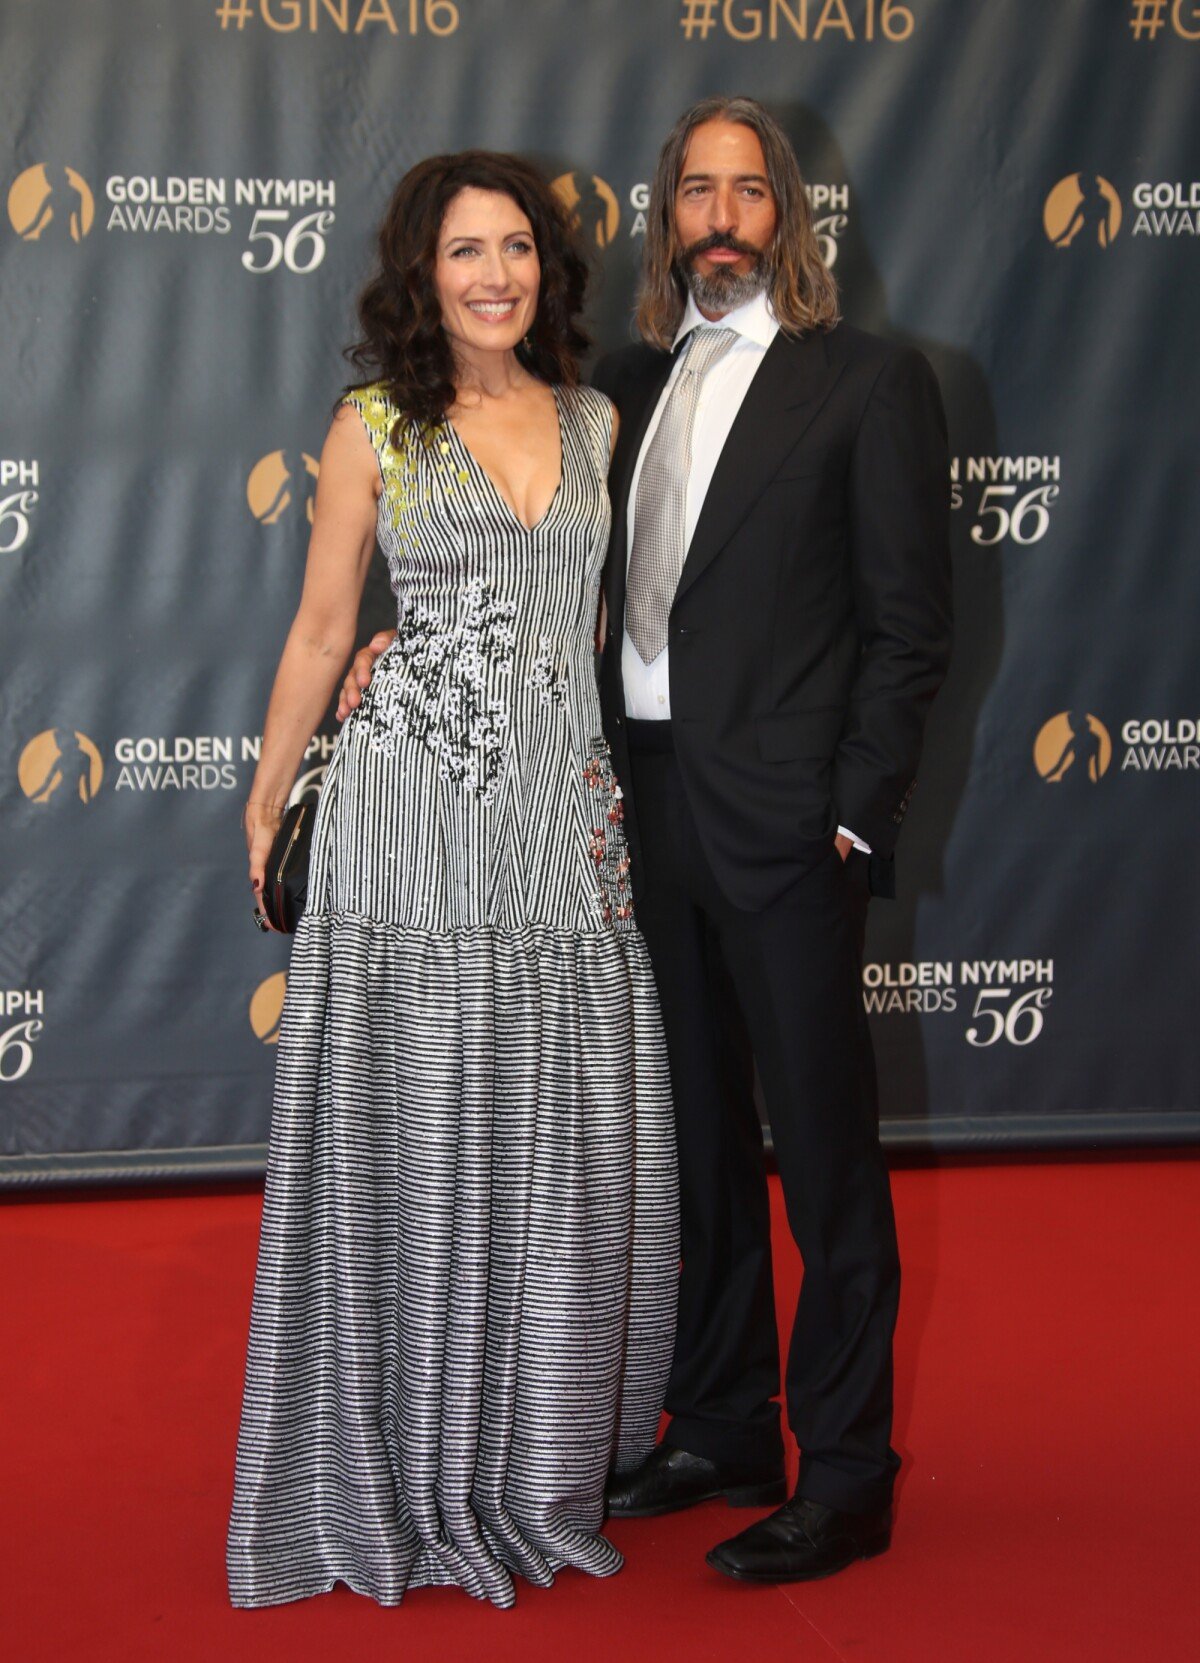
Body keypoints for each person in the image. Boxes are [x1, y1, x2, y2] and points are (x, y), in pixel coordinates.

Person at [342, 97, 952, 1585]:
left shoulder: (870, 384)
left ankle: (849, 1471)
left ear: (790, 216)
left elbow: (910, 634)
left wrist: (856, 819)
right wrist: (385, 651)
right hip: (630, 811)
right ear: (665, 217)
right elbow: (506, 548)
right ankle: (728, 1420)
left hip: (794, 829)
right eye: (698, 191)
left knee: (821, 1157)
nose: (724, 215)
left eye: (751, 191)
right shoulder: (614, 383)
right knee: (691, 1150)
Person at [228, 150, 678, 1612]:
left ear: (549, 270)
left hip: (561, 822)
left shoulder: (602, 419)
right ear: (422, 273)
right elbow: (319, 629)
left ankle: (530, 1456)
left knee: (559, 1146)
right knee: (422, 1131)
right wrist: (264, 798)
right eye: (466, 252)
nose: (496, 275)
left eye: (519, 251)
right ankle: (401, 1466)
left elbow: (606, 634)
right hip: (410, 822)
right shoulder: (377, 424)